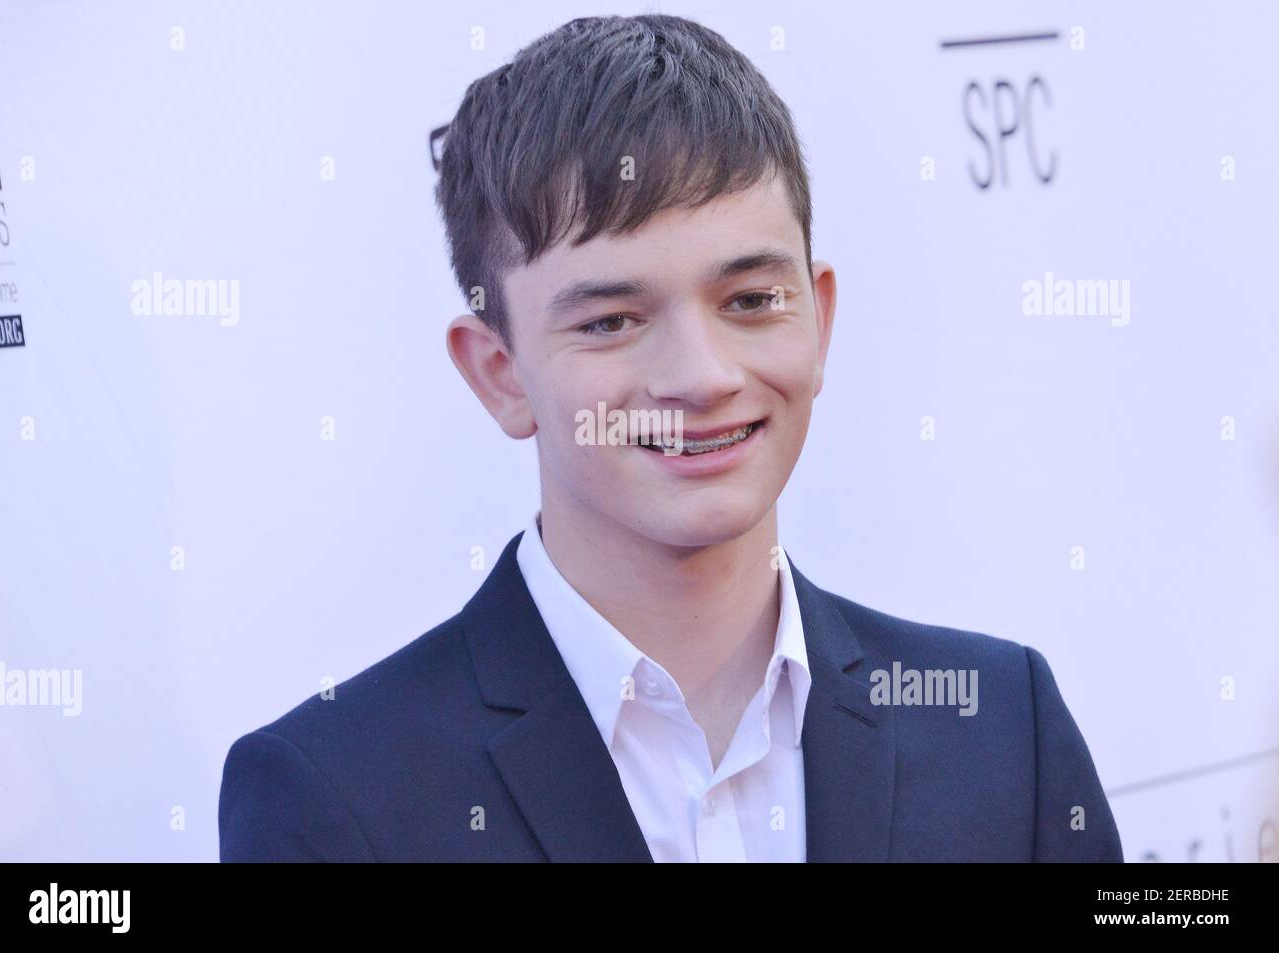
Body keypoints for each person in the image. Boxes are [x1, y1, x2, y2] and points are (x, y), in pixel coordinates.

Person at [219, 13, 1122, 862]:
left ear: (821, 317)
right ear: (498, 371)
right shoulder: (335, 795)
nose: (702, 375)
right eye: (612, 321)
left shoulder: (1001, 725)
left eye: (751, 300)